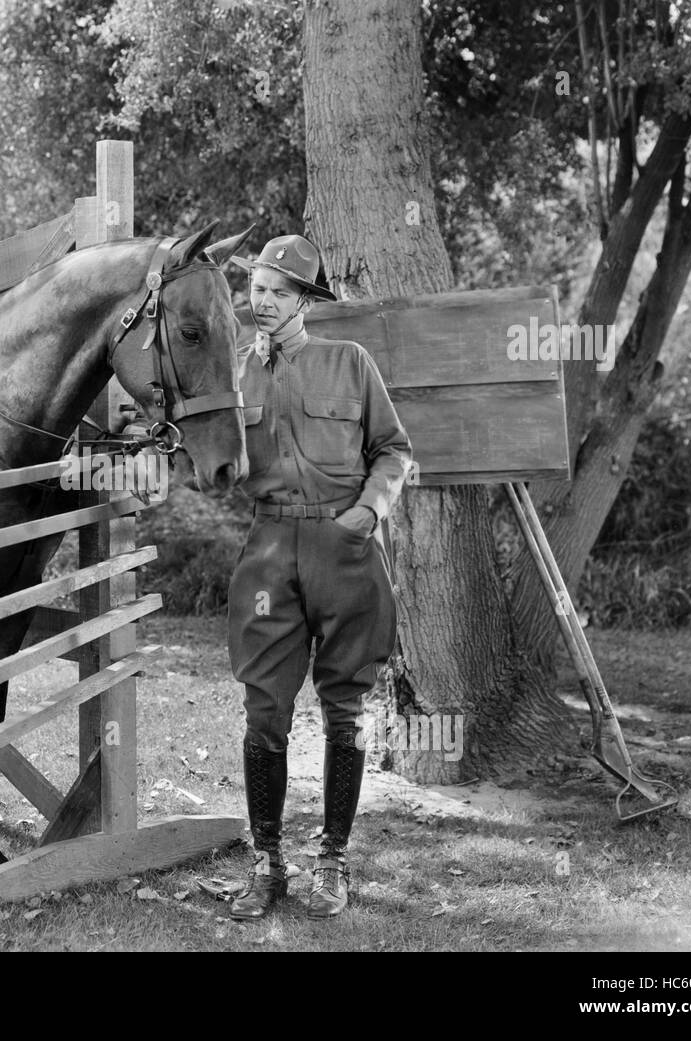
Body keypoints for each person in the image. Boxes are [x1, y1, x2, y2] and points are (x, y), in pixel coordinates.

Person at [225, 234, 412, 920]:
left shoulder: (349, 361)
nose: (265, 301)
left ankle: (332, 859)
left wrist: (369, 511)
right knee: (263, 708)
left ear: (305, 300)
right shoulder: (234, 373)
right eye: (258, 289)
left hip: (345, 546)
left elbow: (393, 450)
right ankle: (267, 863)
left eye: (280, 291)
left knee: (346, 708)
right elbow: (215, 460)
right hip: (270, 548)